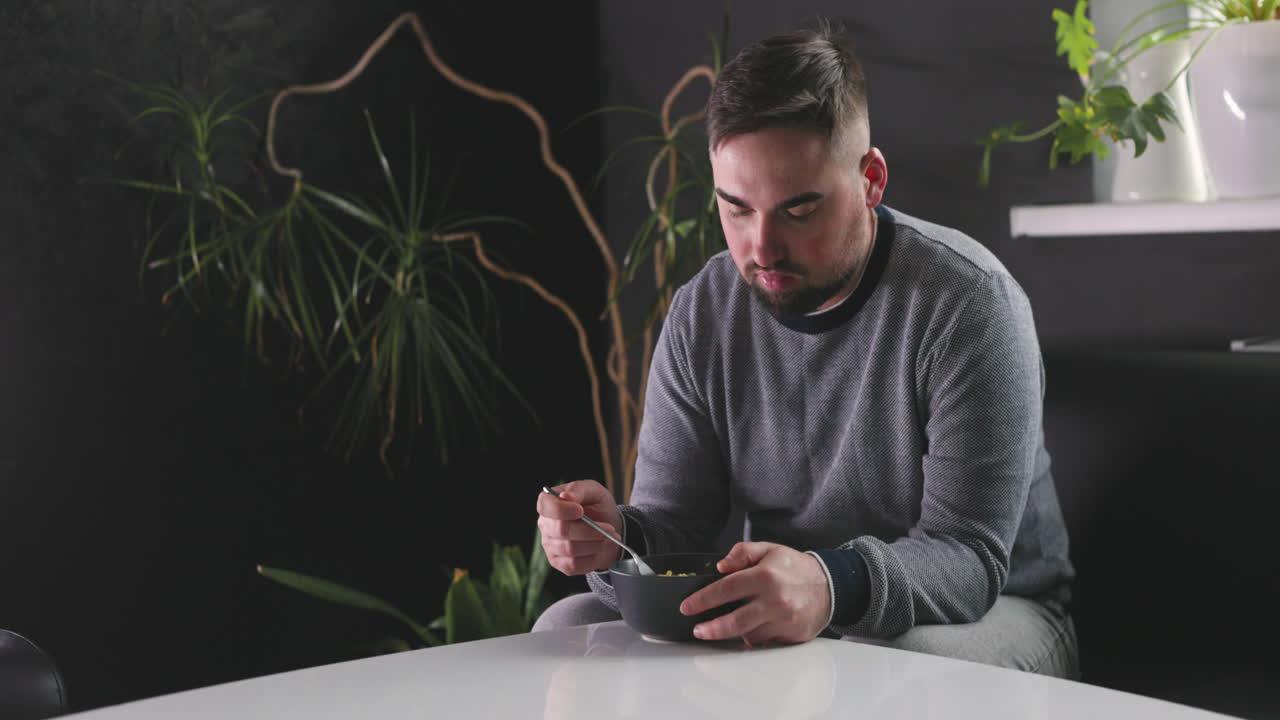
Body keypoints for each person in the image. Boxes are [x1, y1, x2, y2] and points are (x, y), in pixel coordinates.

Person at [534, 21, 1077, 678]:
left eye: (798, 211)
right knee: (564, 628)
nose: (761, 248)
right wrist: (616, 541)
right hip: (785, 601)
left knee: (885, 673)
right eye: (735, 208)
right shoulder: (705, 309)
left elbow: (967, 562)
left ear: (871, 179)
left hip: (998, 612)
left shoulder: (968, 303)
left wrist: (826, 584)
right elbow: (676, 527)